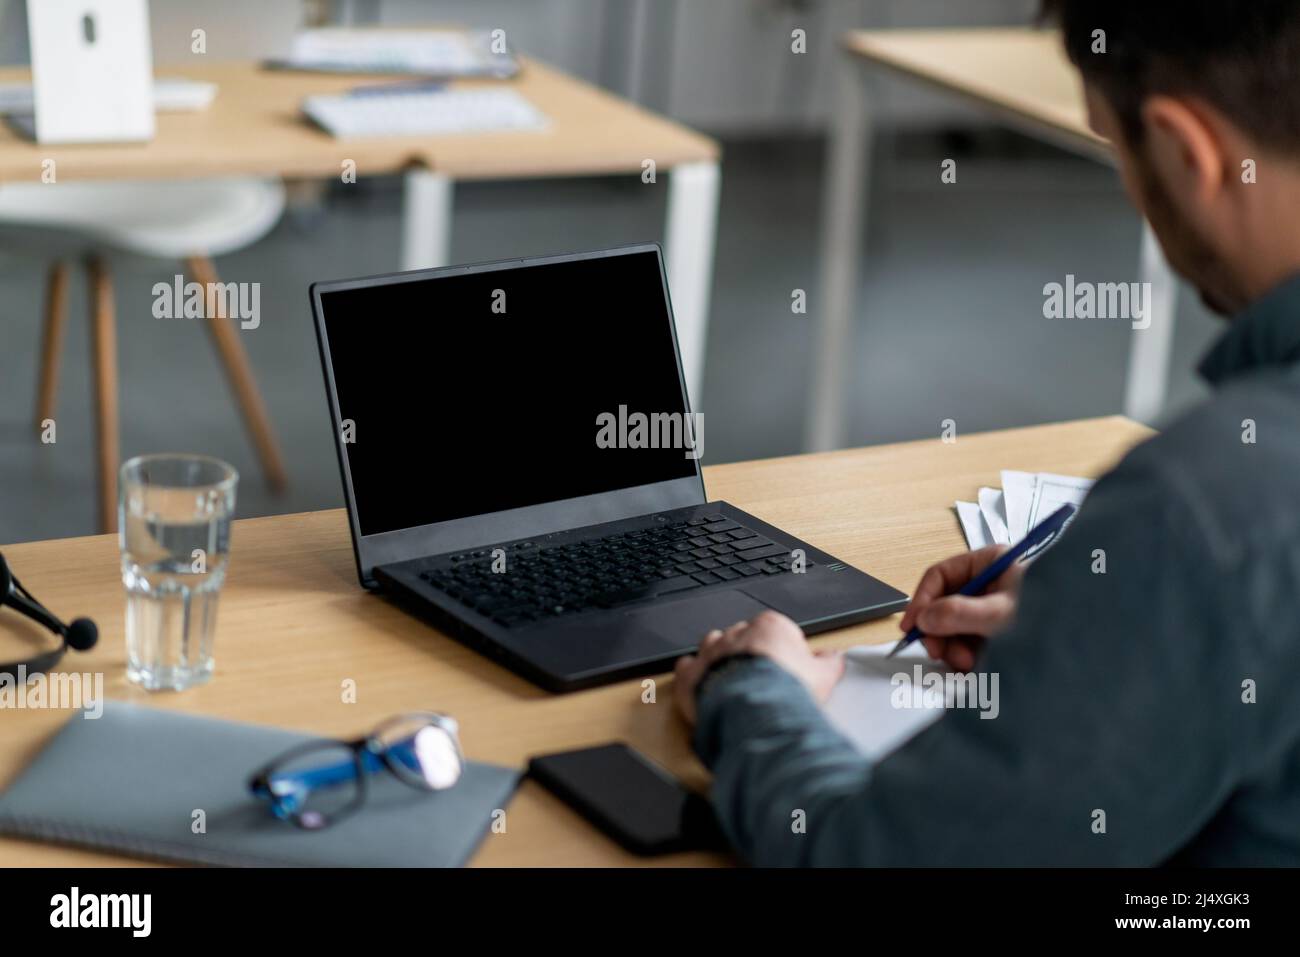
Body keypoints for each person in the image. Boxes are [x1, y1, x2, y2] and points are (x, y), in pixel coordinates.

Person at [673, 0, 1300, 865]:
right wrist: (1104, 630)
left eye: (1117, 148)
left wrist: (756, 692)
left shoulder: (1201, 513)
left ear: (1188, 154)